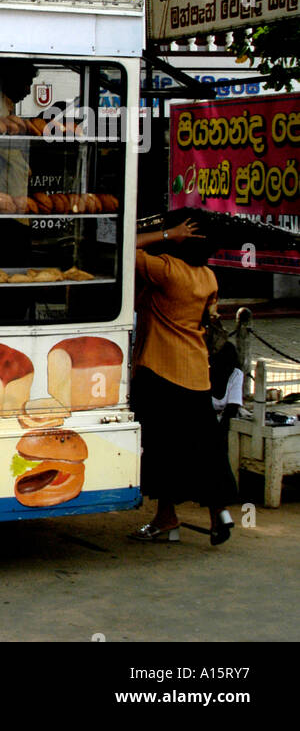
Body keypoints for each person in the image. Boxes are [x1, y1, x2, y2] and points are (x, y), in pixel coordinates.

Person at [129, 217, 237, 545]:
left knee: (163, 449)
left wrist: (166, 234)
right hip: (195, 372)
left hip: (160, 370)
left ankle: (166, 518)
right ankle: (219, 512)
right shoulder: (208, 277)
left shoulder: (166, 270)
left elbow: (126, 246)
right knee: (204, 447)